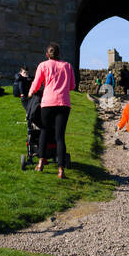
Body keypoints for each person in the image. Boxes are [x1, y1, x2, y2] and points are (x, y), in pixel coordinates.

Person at [27, 45, 75, 178]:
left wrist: (31, 93)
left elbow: (37, 83)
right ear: (59, 54)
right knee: (60, 137)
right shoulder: (67, 66)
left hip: (48, 103)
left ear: (47, 54)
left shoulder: (43, 65)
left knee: (44, 131)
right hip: (64, 104)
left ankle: (41, 162)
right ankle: (61, 170)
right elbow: (72, 86)